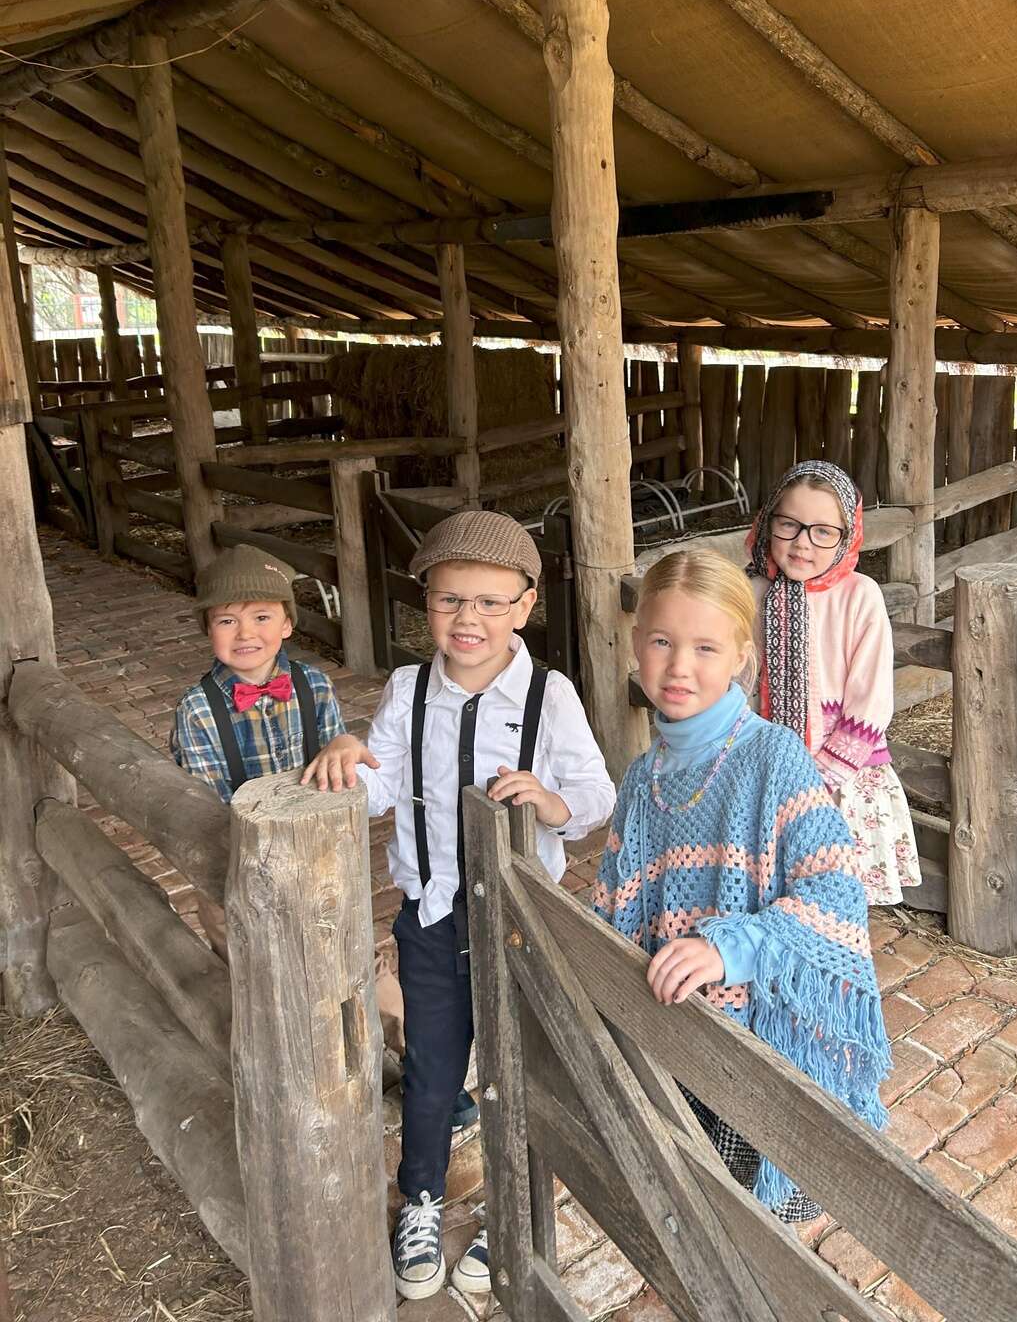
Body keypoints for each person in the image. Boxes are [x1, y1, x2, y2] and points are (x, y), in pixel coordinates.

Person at [301, 510, 615, 1302]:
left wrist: (550, 802)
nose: (466, 619)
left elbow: (596, 795)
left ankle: (517, 1212)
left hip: (519, 925)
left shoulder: (551, 695)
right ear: (426, 604)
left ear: (525, 604)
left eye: (487, 602)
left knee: (521, 1070)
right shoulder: (408, 690)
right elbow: (378, 784)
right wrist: (349, 756)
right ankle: (423, 1200)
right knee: (435, 1070)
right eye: (448, 602)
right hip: (433, 918)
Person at [593, 549, 890, 1222]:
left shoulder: (772, 758)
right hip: (678, 1041)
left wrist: (733, 946)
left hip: (754, 1048)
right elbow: (615, 905)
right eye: (662, 642)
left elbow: (836, 891)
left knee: (750, 1230)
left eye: (705, 646)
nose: (679, 666)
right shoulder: (644, 778)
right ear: (636, 646)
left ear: (740, 657)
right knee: (691, 1210)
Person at [747, 459, 920, 906]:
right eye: (790, 525)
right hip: (762, 773)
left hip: (839, 780)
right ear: (768, 523)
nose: (804, 544)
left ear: (847, 536)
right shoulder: (751, 594)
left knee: (832, 898)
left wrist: (816, 782)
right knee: (766, 891)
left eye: (824, 531)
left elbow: (870, 703)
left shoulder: (859, 597)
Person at [171, 543, 346, 954]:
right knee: (250, 981)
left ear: (287, 623)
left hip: (315, 860)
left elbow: (334, 777)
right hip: (234, 873)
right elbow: (209, 808)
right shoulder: (197, 711)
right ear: (208, 629)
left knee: (338, 962)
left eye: (262, 617)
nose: (245, 633)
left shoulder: (315, 687)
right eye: (227, 620)